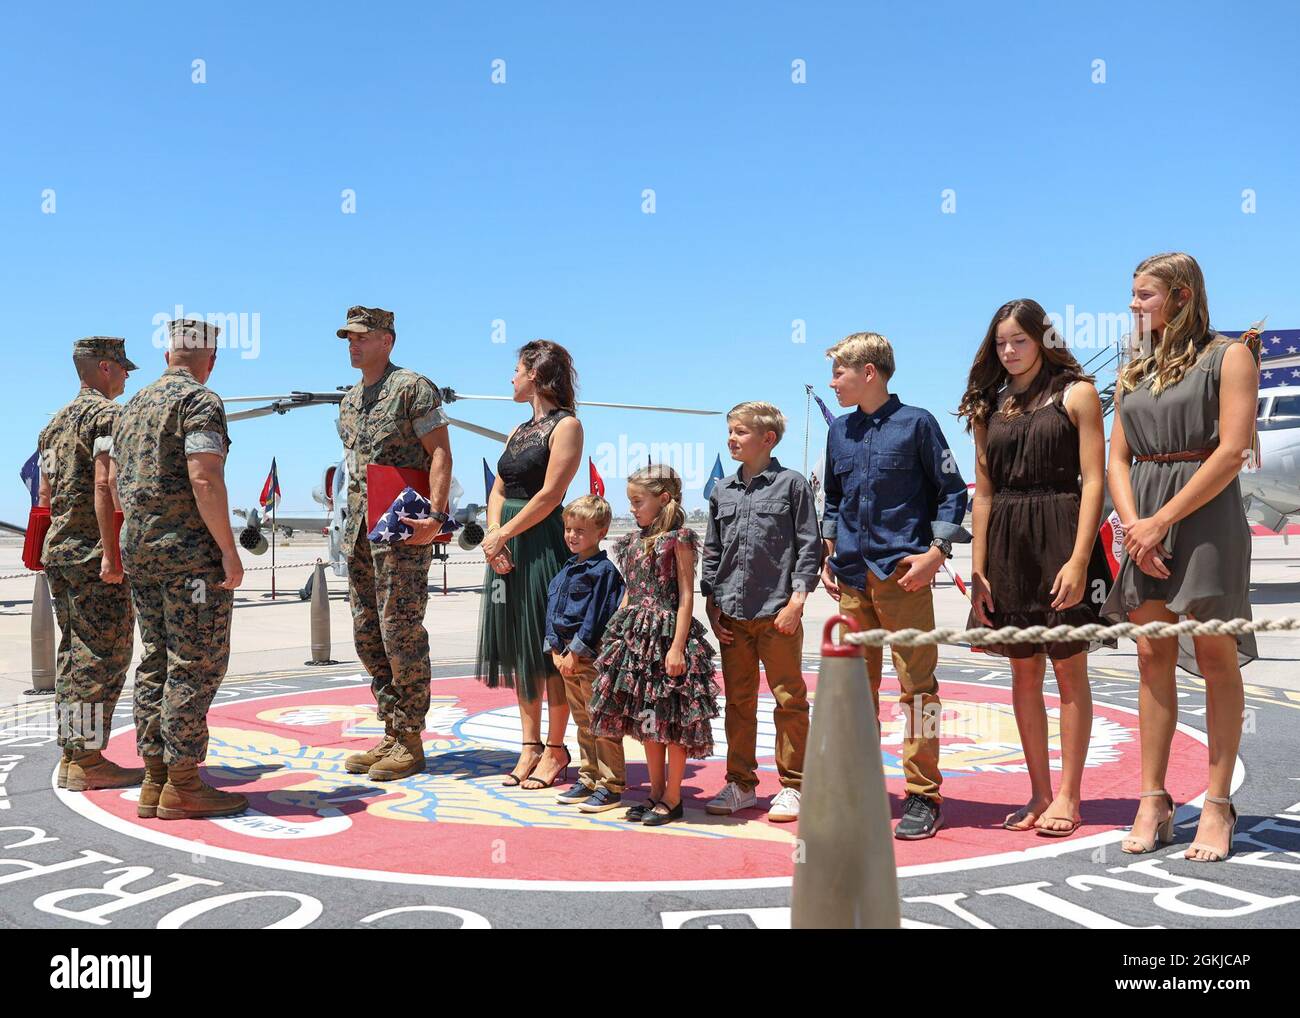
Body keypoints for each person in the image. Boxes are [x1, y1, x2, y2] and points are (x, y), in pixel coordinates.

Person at [1101, 252, 1259, 863]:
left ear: (1183, 296)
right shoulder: (1133, 368)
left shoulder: (1230, 356)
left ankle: (1217, 805)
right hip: (1142, 519)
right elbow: (1119, 458)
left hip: (1206, 514)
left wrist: (1162, 520)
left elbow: (1231, 450)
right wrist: (1133, 524)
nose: (1134, 305)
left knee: (1217, 656)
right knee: (1151, 658)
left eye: (1145, 295)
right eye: (1133, 295)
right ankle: (1153, 799)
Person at [958, 300, 1110, 837]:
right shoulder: (988, 405)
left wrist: (1077, 558)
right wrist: (978, 570)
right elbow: (983, 494)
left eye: (1018, 340)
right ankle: (1039, 792)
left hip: (1062, 536)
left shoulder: (1078, 393)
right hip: (1006, 545)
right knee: (1023, 670)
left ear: (1042, 339)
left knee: (1069, 668)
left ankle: (1069, 794)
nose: (1008, 351)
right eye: (1000, 342)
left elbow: (1094, 480)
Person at [821, 332, 969, 840]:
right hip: (851, 578)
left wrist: (936, 553)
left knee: (918, 692)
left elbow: (952, 493)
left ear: (869, 371)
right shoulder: (839, 431)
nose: (833, 381)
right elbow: (834, 499)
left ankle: (924, 796)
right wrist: (827, 546)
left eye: (840, 371)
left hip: (904, 578)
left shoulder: (918, 425)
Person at [112, 318, 245, 820]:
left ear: (169, 353)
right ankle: (184, 781)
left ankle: (155, 777)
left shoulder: (130, 410)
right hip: (190, 558)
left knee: (155, 661)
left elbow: (114, 486)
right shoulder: (199, 402)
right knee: (196, 662)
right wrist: (228, 551)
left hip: (141, 553)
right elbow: (205, 477)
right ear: (209, 358)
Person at [336, 306, 453, 782]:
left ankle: (410, 739)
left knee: (400, 630)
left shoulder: (412, 388)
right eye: (348, 338)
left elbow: (441, 451)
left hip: (402, 530)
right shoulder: (347, 402)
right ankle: (391, 729)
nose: (353, 345)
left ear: (387, 340)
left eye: (361, 337)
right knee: (368, 633)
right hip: (361, 534)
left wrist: (438, 516)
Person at [701, 401, 822, 823]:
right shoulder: (722, 491)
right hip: (732, 616)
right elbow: (712, 551)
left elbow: (811, 545)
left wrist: (798, 600)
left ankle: (794, 787)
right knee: (738, 701)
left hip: (778, 613)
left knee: (789, 699)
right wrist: (710, 604)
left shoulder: (792, 486)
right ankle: (741, 784)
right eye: (730, 431)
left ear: (767, 439)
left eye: (740, 432)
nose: (732, 439)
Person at [475, 341, 583, 789]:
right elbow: (498, 488)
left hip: (541, 543)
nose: (511, 378)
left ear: (535, 374)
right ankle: (529, 746)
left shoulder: (567, 426)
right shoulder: (517, 430)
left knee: (546, 648)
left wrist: (505, 533)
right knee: (520, 648)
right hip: (506, 545)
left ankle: (557, 749)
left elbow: (550, 495)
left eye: (516, 370)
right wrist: (492, 534)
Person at [38, 336, 142, 791]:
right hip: (92, 555)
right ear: (104, 367)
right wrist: (112, 554)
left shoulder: (54, 424)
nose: (125, 376)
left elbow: (43, 496)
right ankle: (85, 758)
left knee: (75, 652)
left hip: (61, 551)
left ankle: (74, 753)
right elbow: (107, 485)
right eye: (122, 368)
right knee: (104, 654)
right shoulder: (108, 416)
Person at [589, 465, 719, 826]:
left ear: (663, 499)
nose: (632, 508)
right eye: (630, 501)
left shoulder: (679, 539)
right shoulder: (631, 542)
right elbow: (631, 592)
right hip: (636, 638)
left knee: (672, 720)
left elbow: (685, 596)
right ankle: (655, 792)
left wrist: (677, 647)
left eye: (637, 501)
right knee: (648, 721)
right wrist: (617, 634)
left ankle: (674, 797)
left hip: (667, 637)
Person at [546, 495, 628, 812]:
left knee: (602, 721)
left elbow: (597, 617)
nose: (572, 535)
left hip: (590, 660)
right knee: (582, 722)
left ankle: (611, 784)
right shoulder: (566, 570)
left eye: (580, 530)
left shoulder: (604, 572)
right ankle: (589, 777)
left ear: (601, 531)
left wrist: (576, 651)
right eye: (568, 528)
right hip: (565, 658)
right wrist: (554, 648)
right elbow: (552, 610)